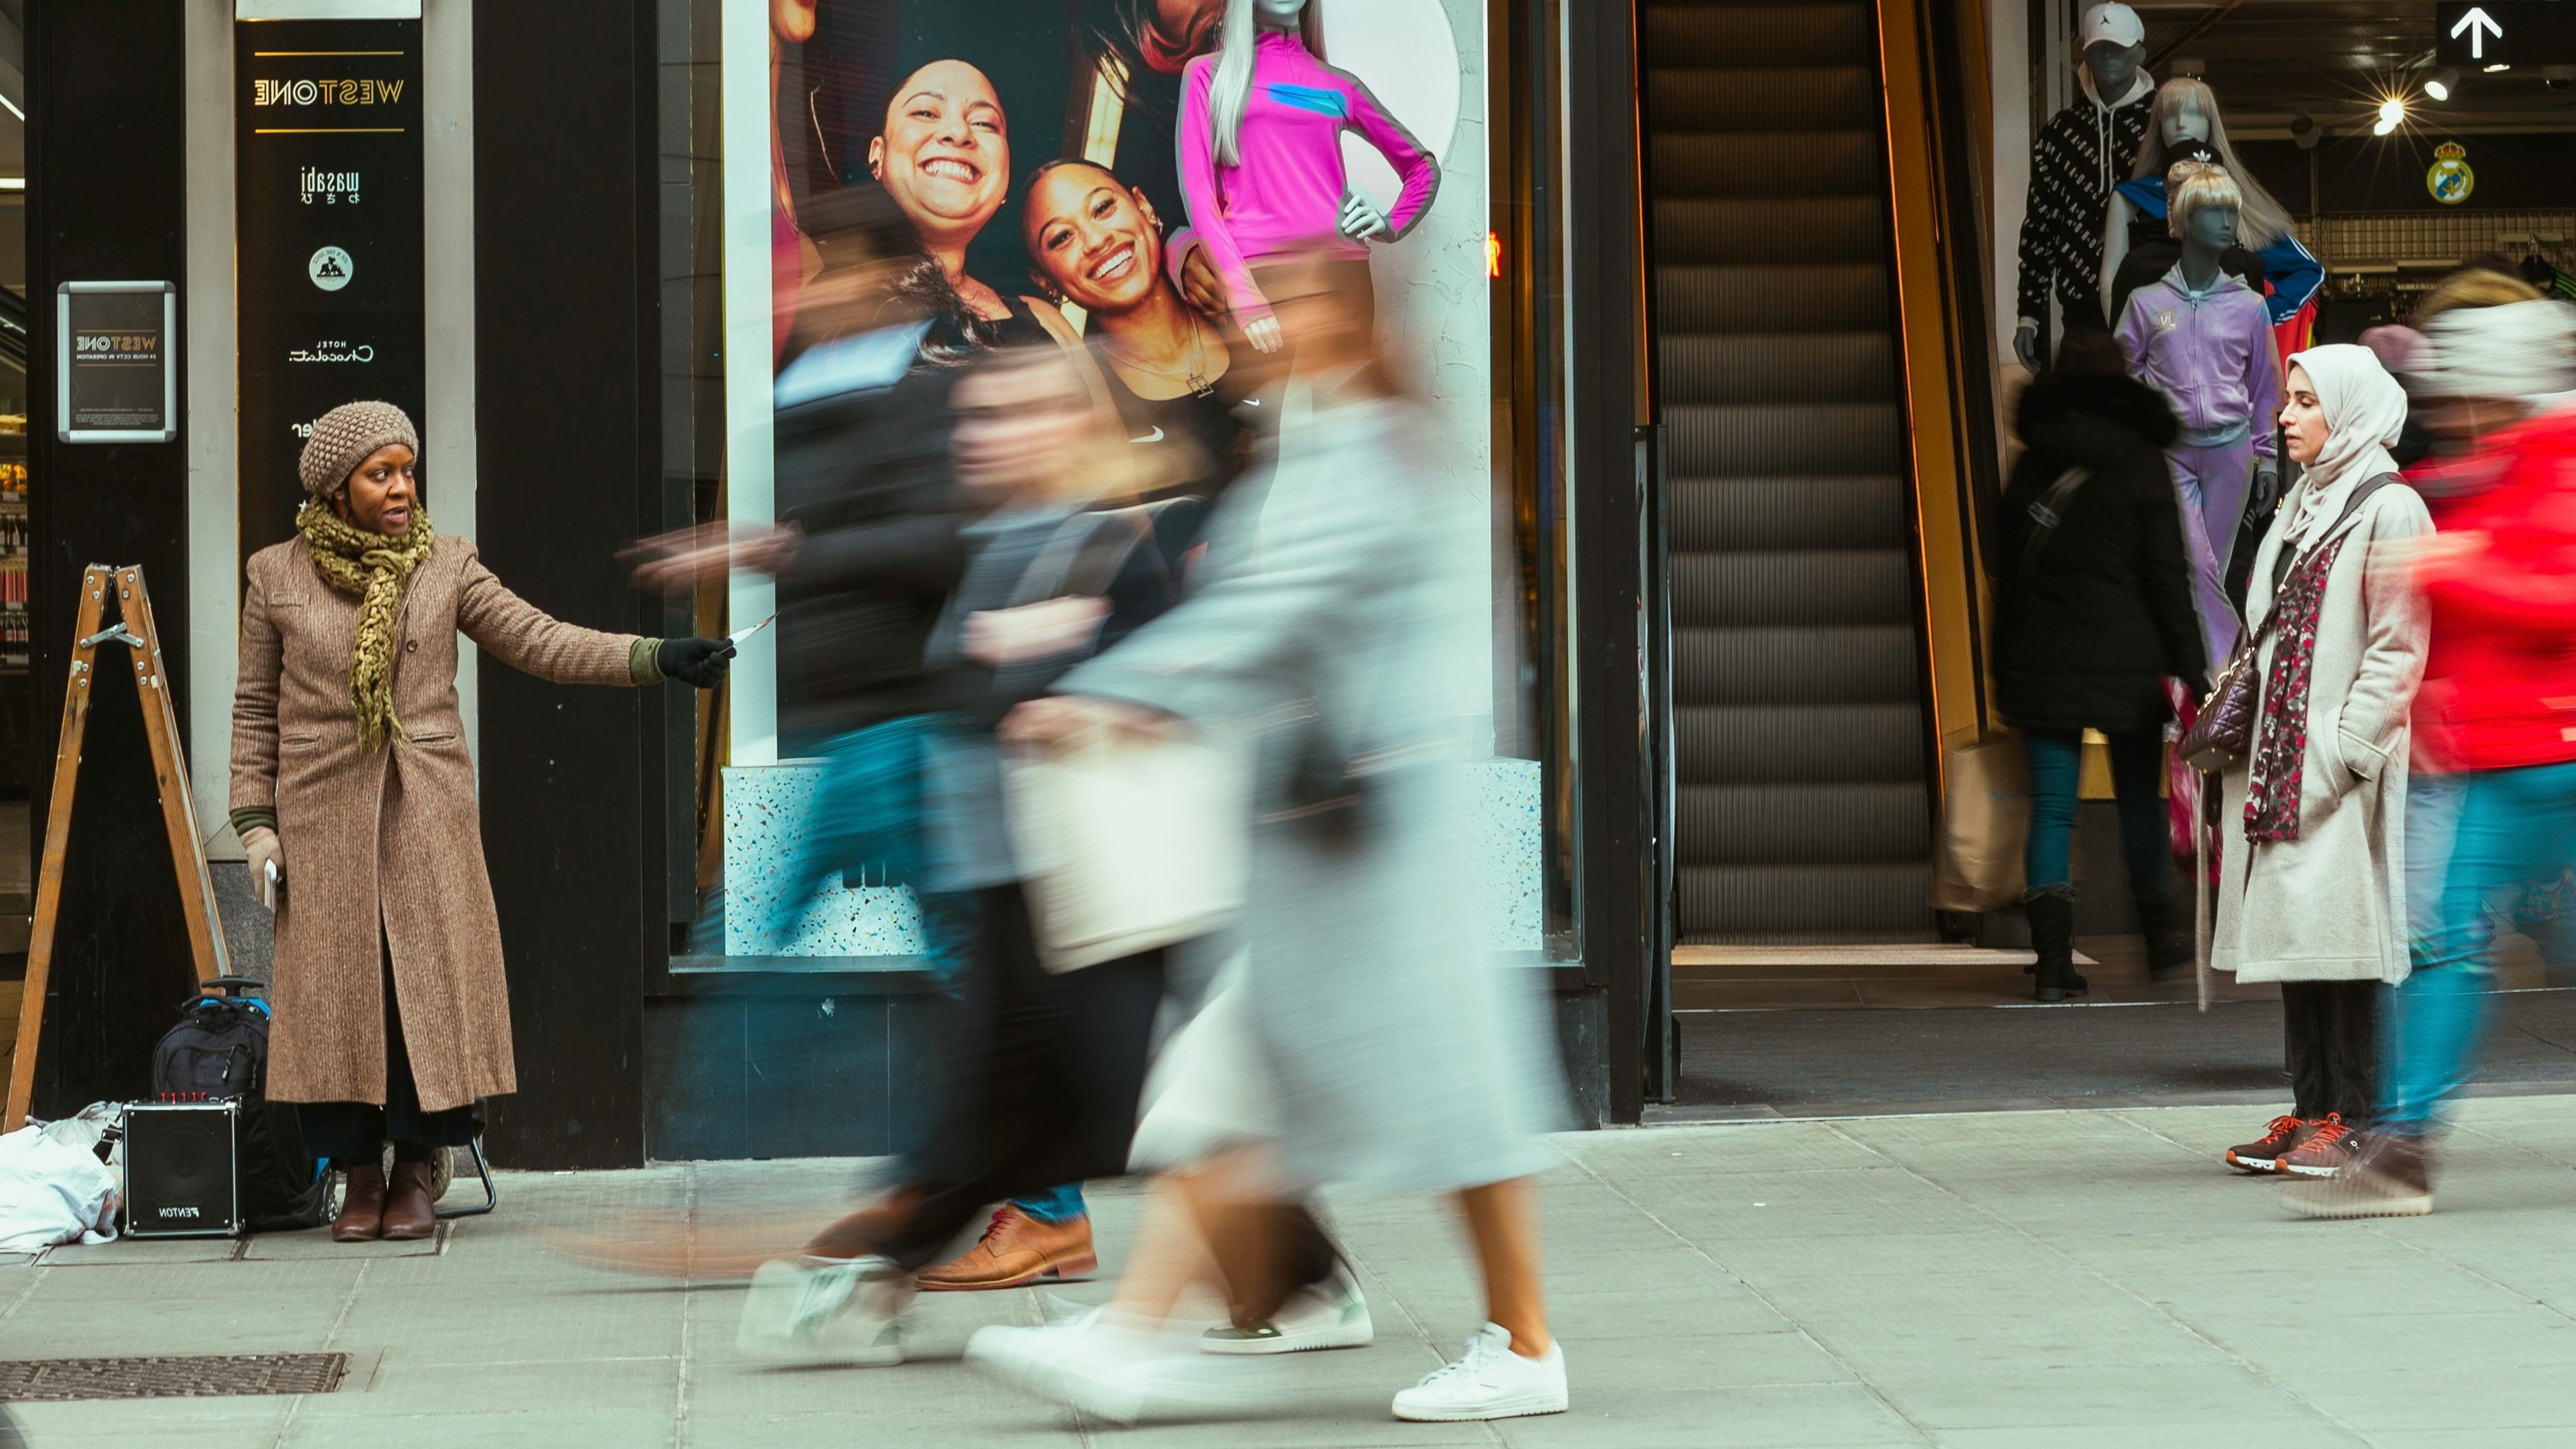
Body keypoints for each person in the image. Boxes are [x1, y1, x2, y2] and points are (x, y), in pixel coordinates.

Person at [964, 250, 1569, 1425]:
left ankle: (1515, 1340)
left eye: (1287, 305)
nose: (1266, 323)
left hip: (1363, 843)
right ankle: (1151, 1335)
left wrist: (1120, 690)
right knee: (1244, 1091)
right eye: (1263, 304)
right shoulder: (1343, 436)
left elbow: (1277, 611)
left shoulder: (1367, 448)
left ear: (1345, 320)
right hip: (1332, 841)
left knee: (1426, 1100)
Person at [731, 342, 1191, 1364]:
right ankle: (874, 1279)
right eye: (976, 419)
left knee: (1150, 1107)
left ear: (1073, 422)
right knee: (1001, 1111)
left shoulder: (1111, 541)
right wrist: (1009, 652)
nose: (987, 437)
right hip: (997, 880)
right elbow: (956, 679)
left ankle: (1273, 1282)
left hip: (1095, 889)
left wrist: (1034, 664)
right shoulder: (989, 541)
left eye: (1018, 414)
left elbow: (1158, 677)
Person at [229, 403, 732, 1242]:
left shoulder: (445, 563)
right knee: (340, 996)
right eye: (378, 473)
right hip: (320, 813)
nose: (399, 487)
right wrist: (256, 824)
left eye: (406, 469)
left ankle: (419, 1165)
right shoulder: (275, 574)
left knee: (422, 990)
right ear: (335, 486)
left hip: (426, 809)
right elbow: (253, 706)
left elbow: (539, 640)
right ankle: (357, 1174)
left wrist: (654, 656)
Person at [2285, 298, 2576, 1218]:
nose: (2452, 408)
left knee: (2453, 942)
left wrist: (2455, 568)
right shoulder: (2511, 465)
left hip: (2543, 751)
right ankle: (2404, 1141)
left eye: (2468, 390)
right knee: (2461, 940)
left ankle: (2406, 1143)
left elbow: (2557, 594)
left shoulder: (2548, 467)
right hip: (2511, 753)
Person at [2205, 347, 2432, 1178]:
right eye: (2287, 399)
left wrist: (2338, 757)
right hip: (2277, 760)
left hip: (2331, 765)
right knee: (2302, 945)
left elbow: (2396, 649)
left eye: (2305, 401)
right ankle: (2311, 1113)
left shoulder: (2390, 507)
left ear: (2349, 407)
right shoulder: (2302, 502)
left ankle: (2361, 1120)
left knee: (2349, 946)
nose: (2285, 414)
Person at [1990, 330, 2207, 1001]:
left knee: (2052, 809)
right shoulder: (2142, 463)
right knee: (2138, 802)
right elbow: (2166, 576)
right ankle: (2160, 938)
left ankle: (2052, 960)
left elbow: (2000, 562)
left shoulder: (2032, 460)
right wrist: (2190, 669)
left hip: (2042, 657)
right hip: (2126, 659)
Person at [1022, 157, 1259, 501]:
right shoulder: (1093, 408)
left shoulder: (1246, 300)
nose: (1096, 239)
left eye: (1102, 207)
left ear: (1144, 206)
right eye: (1061, 238)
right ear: (1046, 283)